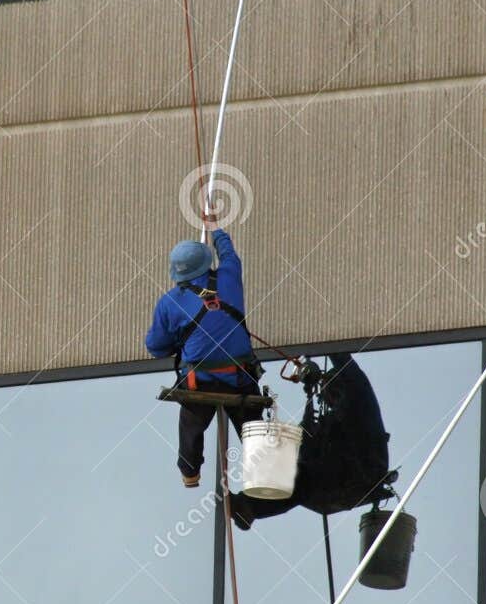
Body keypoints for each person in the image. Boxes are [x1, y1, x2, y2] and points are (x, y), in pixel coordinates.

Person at [146, 217, 261, 487]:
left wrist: (180, 341)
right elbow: (228, 253)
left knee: (191, 423)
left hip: (200, 383)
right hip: (241, 379)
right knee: (253, 425)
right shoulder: (230, 276)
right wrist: (215, 229)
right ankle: (261, 475)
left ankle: (190, 473)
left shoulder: (169, 303)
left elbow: (155, 347)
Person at [229, 354, 396, 530]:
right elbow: (307, 444)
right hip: (335, 478)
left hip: (358, 474)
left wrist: (331, 347)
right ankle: (249, 507)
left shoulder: (360, 400)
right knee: (295, 474)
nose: (326, 401)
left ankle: (249, 507)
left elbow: (348, 367)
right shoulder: (338, 418)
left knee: (296, 478)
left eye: (327, 393)